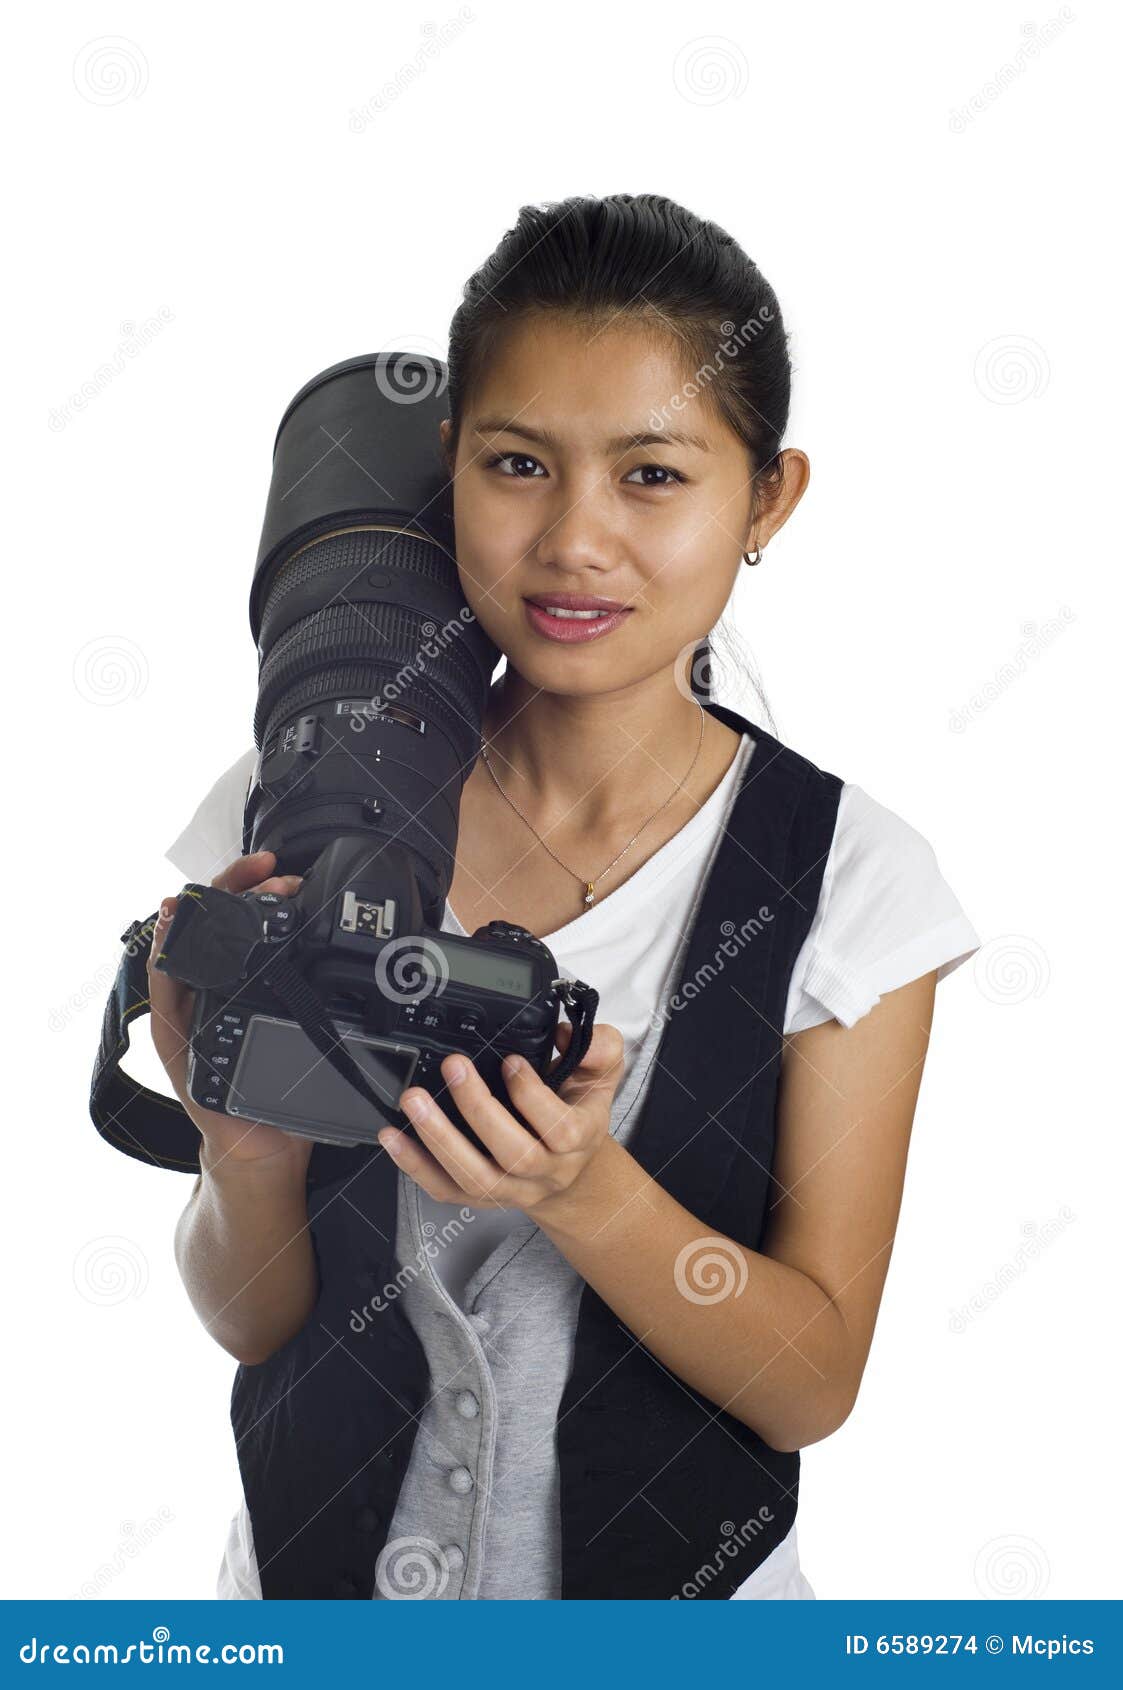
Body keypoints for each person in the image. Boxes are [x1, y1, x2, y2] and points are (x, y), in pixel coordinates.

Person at [149, 193, 980, 1600]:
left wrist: (585, 1190)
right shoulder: (296, 794)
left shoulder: (851, 876)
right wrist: (242, 1150)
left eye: (652, 475)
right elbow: (257, 1323)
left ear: (766, 496)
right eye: (518, 462)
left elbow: (812, 1378)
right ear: (447, 463)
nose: (575, 542)